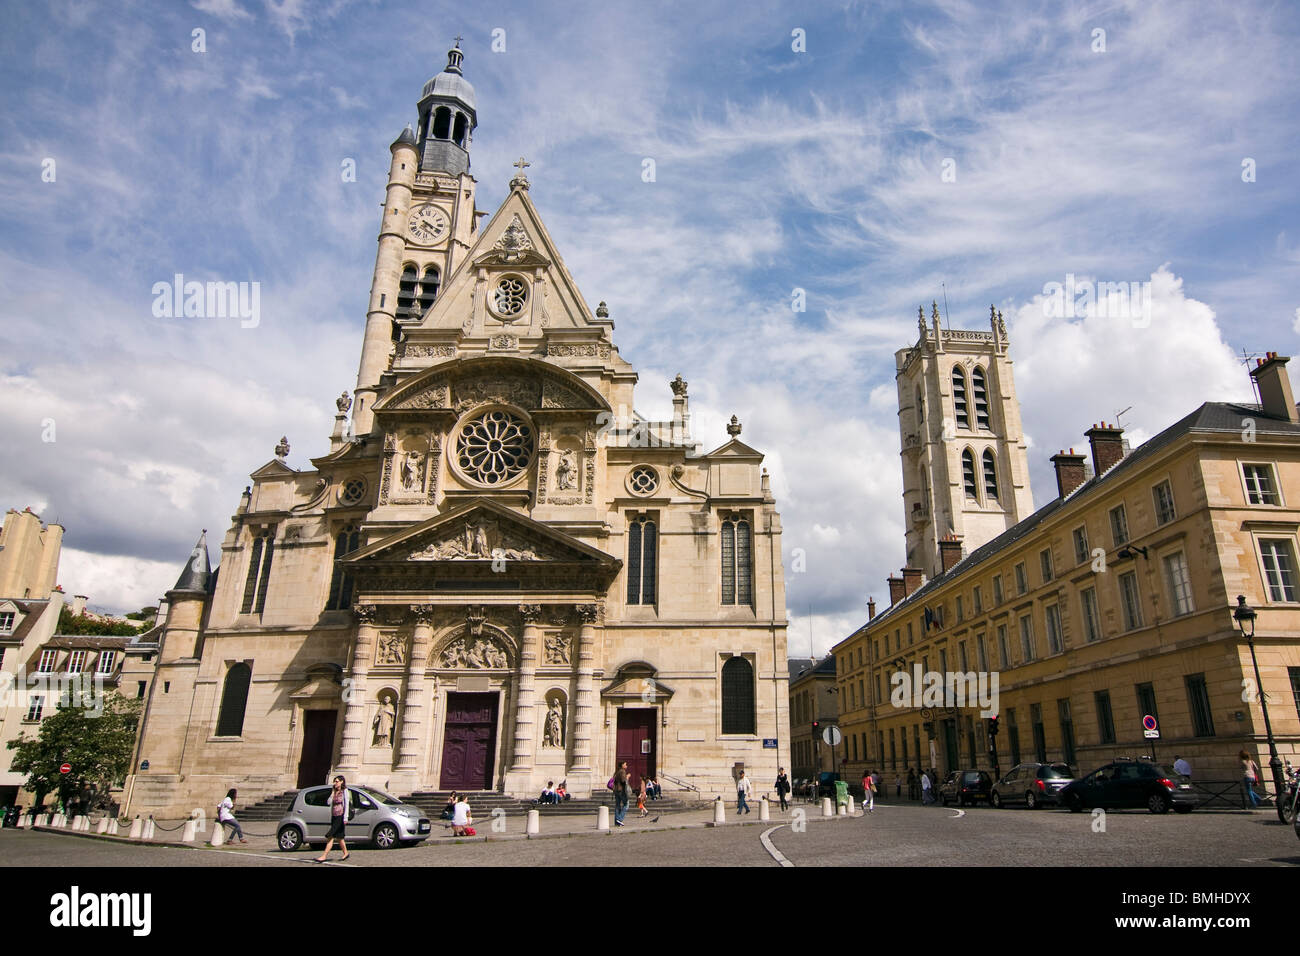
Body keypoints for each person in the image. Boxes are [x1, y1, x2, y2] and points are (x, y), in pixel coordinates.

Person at [315, 776, 351, 862]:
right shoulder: (335, 791)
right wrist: (332, 793)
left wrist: (345, 818)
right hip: (334, 816)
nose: (335, 783)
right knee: (339, 837)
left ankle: (324, 856)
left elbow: (346, 804)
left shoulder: (345, 791)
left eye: (337, 781)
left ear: (342, 782)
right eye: (335, 781)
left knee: (330, 836)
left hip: (340, 816)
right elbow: (328, 802)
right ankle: (346, 853)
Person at [612, 761, 630, 826]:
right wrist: (627, 777)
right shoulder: (622, 771)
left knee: (617, 805)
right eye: (625, 764)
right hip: (621, 791)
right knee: (626, 804)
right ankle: (619, 819)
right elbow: (623, 781)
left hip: (616, 790)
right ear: (622, 765)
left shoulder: (616, 772)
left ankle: (616, 822)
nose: (626, 766)